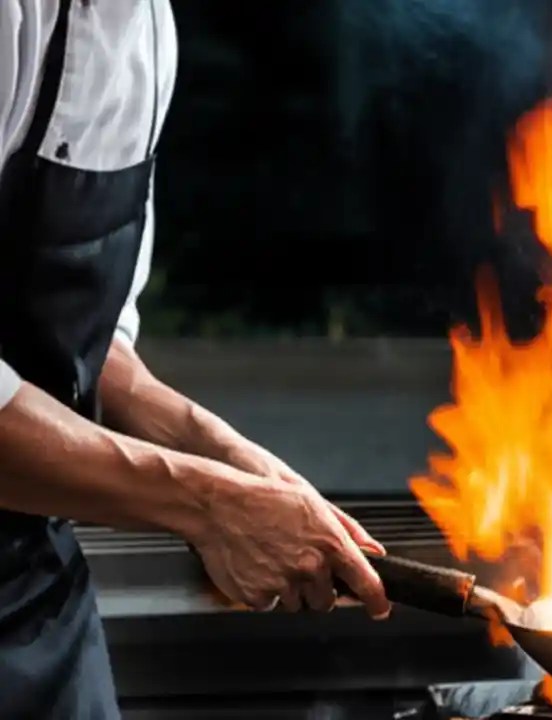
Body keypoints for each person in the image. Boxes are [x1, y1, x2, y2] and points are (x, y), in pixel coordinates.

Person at [0, 0, 392, 716]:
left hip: (30, 598)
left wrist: (222, 452)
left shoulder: (145, 31)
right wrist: (208, 505)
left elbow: (84, 345)